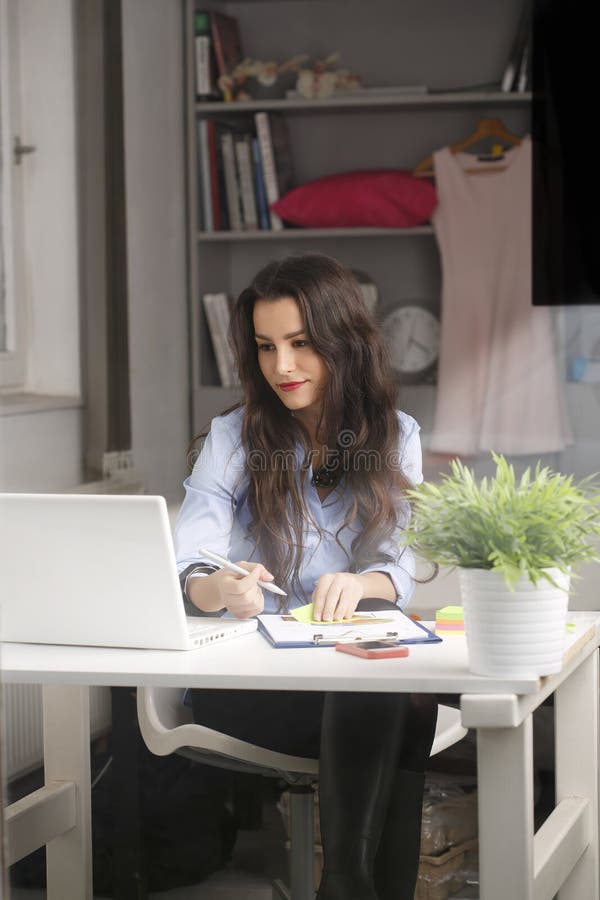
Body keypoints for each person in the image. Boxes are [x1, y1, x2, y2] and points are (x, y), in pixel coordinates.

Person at [174, 253, 438, 900]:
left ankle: (346, 883)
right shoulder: (233, 437)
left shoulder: (394, 435)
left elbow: (404, 561)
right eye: (266, 347)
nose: (281, 367)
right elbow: (189, 562)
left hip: (350, 683)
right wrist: (220, 589)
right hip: (249, 684)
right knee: (399, 696)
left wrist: (365, 586)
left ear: (341, 343)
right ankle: (348, 884)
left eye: (300, 344)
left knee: (397, 690)